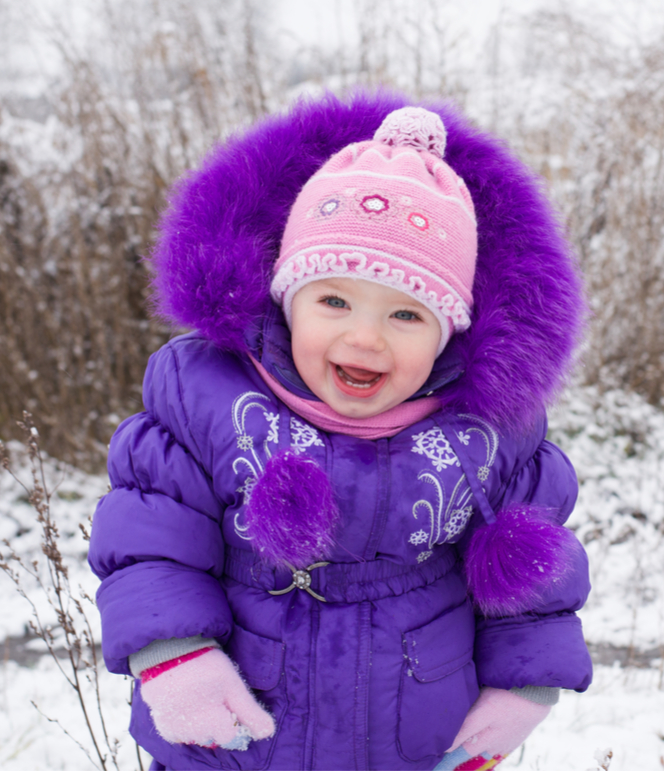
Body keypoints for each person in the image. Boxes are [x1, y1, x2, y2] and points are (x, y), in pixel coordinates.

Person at [88, 92, 592, 771]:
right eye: (333, 301)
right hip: (236, 733)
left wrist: (523, 687)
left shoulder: (489, 433)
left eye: (407, 316)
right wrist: (174, 657)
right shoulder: (206, 397)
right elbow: (151, 541)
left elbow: (535, 574)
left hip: (414, 736)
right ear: (286, 300)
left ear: (451, 333)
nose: (364, 337)